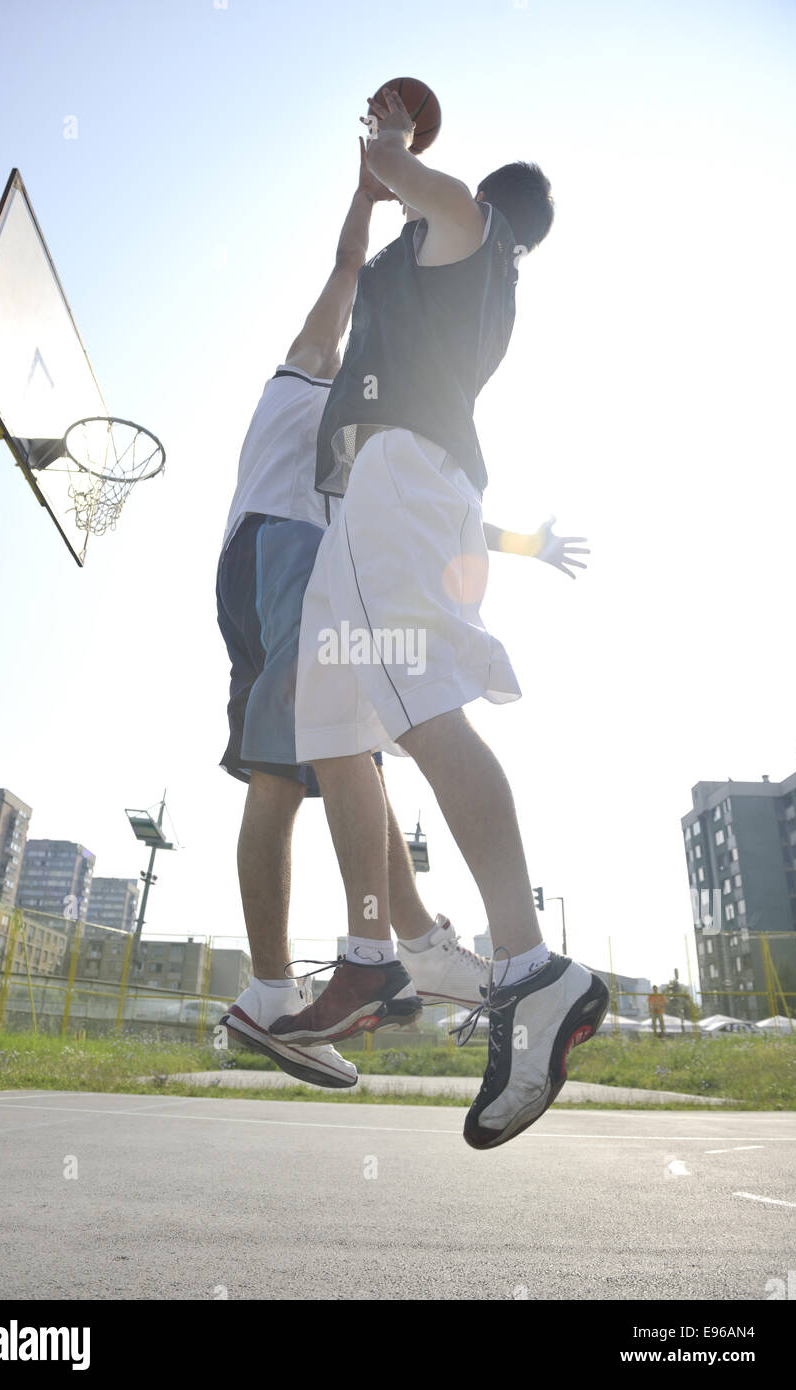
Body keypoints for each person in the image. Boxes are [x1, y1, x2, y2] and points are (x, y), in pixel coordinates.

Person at [271, 88, 608, 1149]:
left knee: (421, 711)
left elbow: (414, 184)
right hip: (375, 493)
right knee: (329, 723)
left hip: (400, 480)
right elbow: (361, 225)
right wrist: (371, 175)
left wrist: (392, 138)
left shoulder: (468, 227)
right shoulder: (408, 266)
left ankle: (528, 966)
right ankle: (374, 955)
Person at [215, 141, 508, 1090]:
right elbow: (348, 270)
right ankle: (367, 959)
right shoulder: (306, 372)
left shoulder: (349, 423)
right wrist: (365, 191)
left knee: (326, 750)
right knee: (318, 755)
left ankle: (366, 960)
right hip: (285, 548)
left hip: (286, 558)